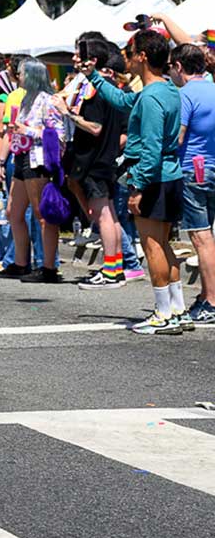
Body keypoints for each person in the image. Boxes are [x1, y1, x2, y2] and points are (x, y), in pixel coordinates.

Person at [88, 29, 185, 333]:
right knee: (164, 245)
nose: (126, 59)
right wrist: (94, 76)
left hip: (153, 177)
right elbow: (123, 100)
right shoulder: (166, 89)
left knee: (152, 245)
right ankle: (176, 308)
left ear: (142, 56)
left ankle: (163, 314)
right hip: (169, 175)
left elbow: (152, 146)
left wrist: (138, 186)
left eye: (129, 53)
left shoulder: (153, 96)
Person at [0, 58, 68, 284]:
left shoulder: (48, 101)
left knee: (42, 215)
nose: (18, 76)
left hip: (39, 160)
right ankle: (20, 262)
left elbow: (59, 134)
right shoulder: (25, 99)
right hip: (21, 156)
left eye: (22, 73)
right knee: (13, 212)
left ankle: (48, 266)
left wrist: (28, 130)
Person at [66, 41, 130, 290]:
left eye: (79, 54)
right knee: (110, 215)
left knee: (104, 216)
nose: (74, 58)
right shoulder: (111, 88)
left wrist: (69, 113)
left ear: (92, 60)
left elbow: (96, 127)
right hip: (106, 158)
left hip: (94, 160)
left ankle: (111, 271)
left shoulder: (95, 89)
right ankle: (114, 266)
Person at [170, 41, 215, 323]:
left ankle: (211, 301)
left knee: (201, 238)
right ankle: (205, 295)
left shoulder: (184, 95)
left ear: (178, 67)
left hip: (193, 170)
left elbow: (179, 137)